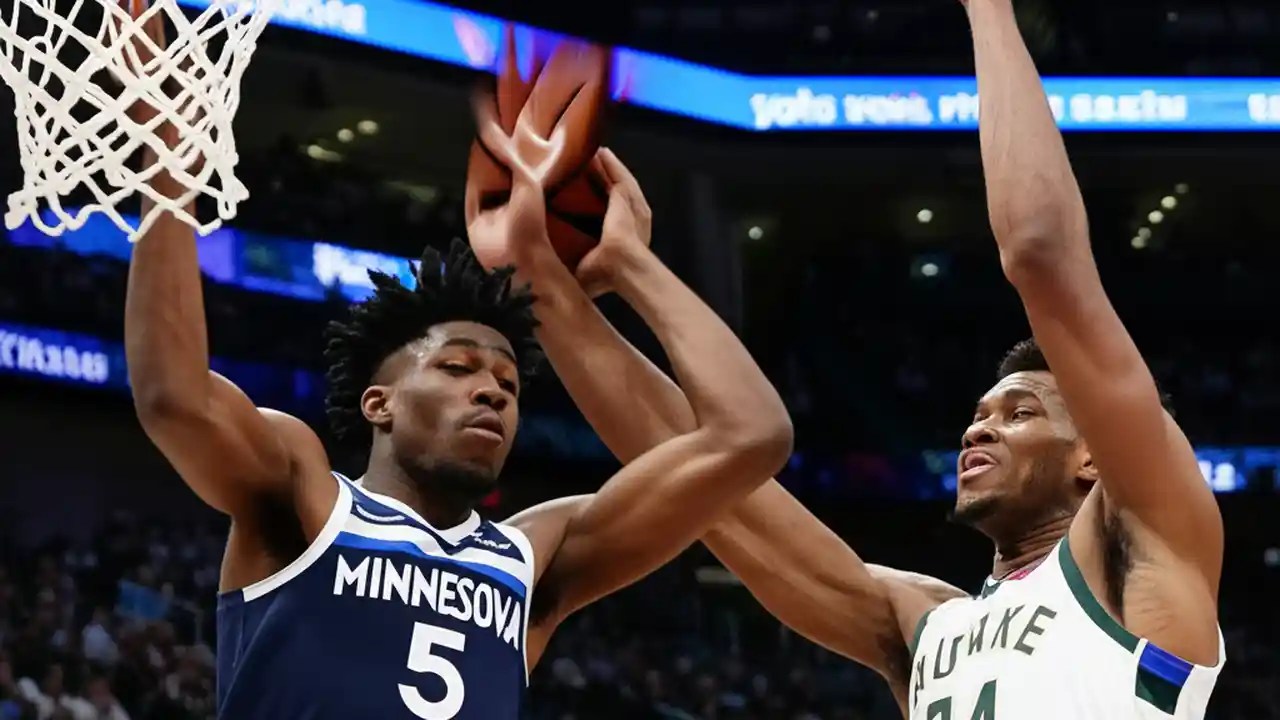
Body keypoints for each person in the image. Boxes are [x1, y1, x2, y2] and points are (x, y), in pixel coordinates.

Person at [507, 2, 1224, 718]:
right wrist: (561, 289)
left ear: (1093, 456)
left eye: (1020, 413)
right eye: (981, 414)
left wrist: (989, 13)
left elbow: (1040, 252)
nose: (978, 429)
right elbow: (705, 479)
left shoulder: (1143, 545)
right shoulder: (926, 625)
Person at [120, 7, 792, 719]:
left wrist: (633, 266)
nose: (492, 392)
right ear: (379, 403)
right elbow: (173, 398)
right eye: (456, 367)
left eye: (507, 383)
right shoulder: (305, 493)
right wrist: (168, 168)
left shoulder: (535, 556)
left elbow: (750, 437)